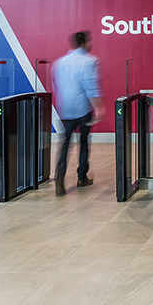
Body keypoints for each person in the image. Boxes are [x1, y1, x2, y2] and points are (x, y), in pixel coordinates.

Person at [51, 30, 104, 196]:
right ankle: (82, 177)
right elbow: (91, 86)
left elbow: (56, 86)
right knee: (84, 143)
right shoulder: (90, 61)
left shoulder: (59, 63)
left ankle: (59, 181)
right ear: (85, 43)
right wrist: (99, 106)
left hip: (65, 109)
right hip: (83, 110)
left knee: (64, 144)